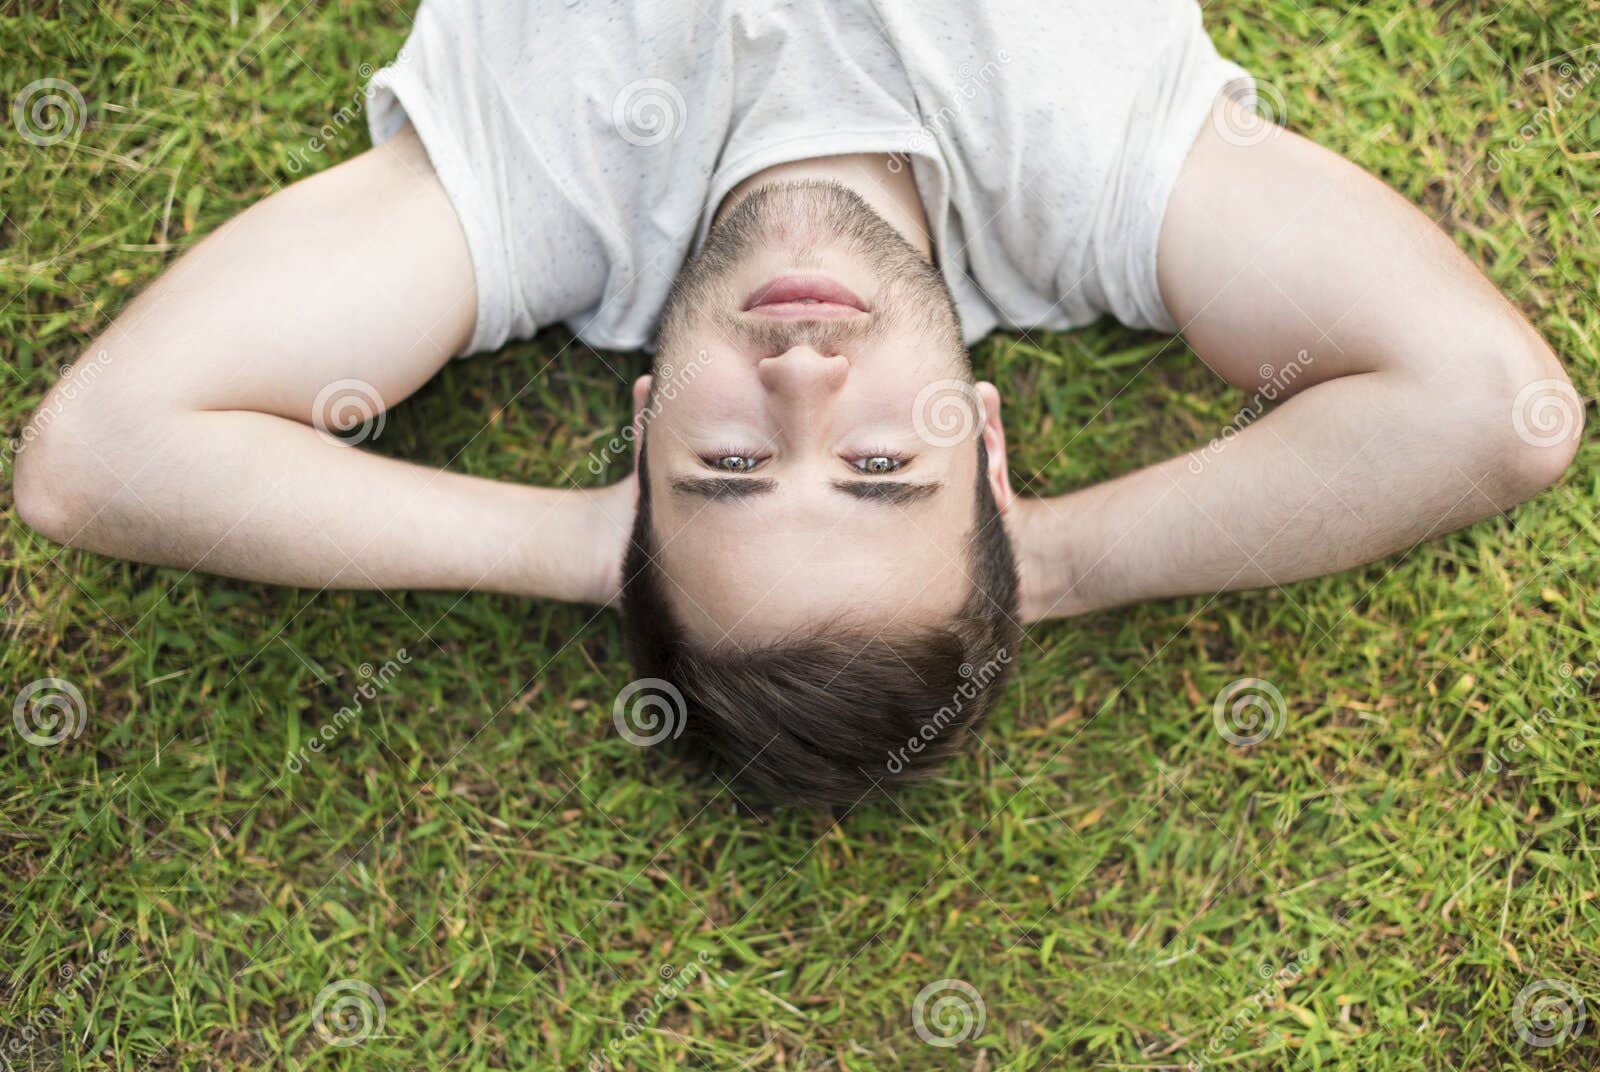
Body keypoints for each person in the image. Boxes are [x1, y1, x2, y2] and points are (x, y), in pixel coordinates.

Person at [15, 1, 1582, 809]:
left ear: (641, 432)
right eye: (884, 465)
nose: (805, 380)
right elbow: (1494, 409)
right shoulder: (1097, 174)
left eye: (728, 464)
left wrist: (586, 546)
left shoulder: (539, 193)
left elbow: (95, 460)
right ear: (987, 442)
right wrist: (1048, 562)